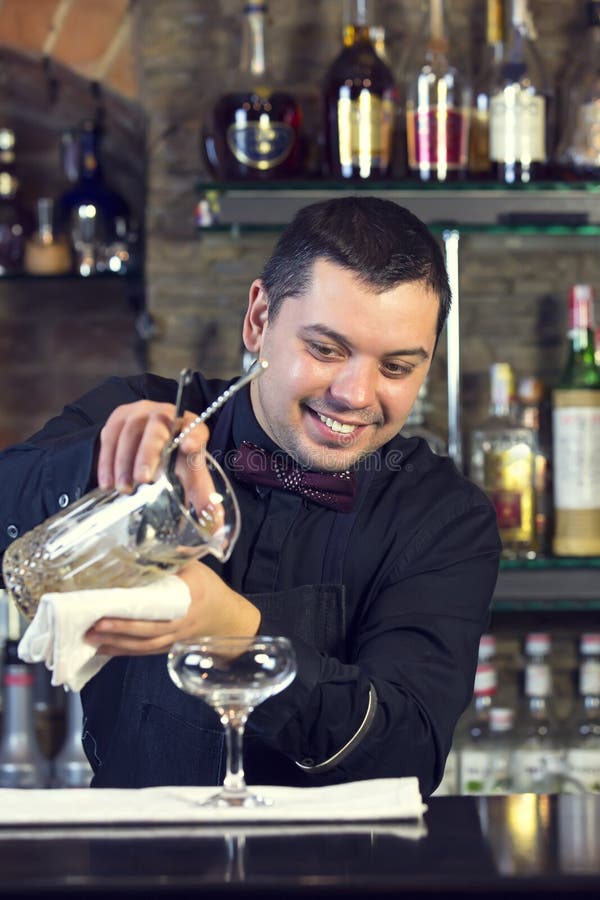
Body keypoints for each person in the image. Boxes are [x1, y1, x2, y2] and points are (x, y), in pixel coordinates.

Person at [0, 196, 501, 795]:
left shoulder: (444, 517)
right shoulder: (139, 409)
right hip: (133, 864)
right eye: (326, 349)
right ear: (260, 319)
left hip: (344, 876)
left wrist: (235, 630)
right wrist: (104, 469)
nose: (356, 394)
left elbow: (406, 753)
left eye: (396, 367)